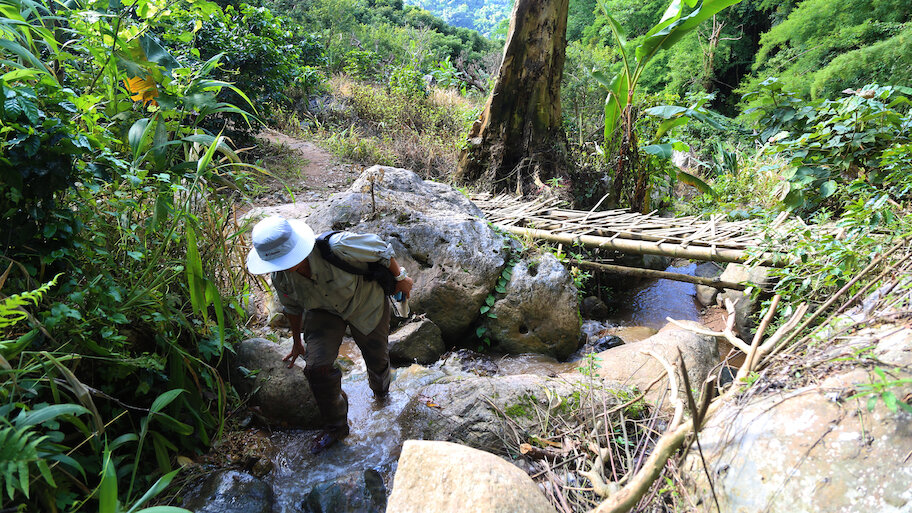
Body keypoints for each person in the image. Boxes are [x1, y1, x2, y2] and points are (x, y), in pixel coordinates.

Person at [246, 216, 414, 454]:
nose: (281, 266)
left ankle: (381, 394)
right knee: (316, 368)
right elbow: (292, 308)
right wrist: (296, 342)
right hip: (322, 312)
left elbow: (381, 249)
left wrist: (400, 279)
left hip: (366, 303)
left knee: (376, 358)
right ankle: (336, 427)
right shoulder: (280, 277)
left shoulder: (338, 246)